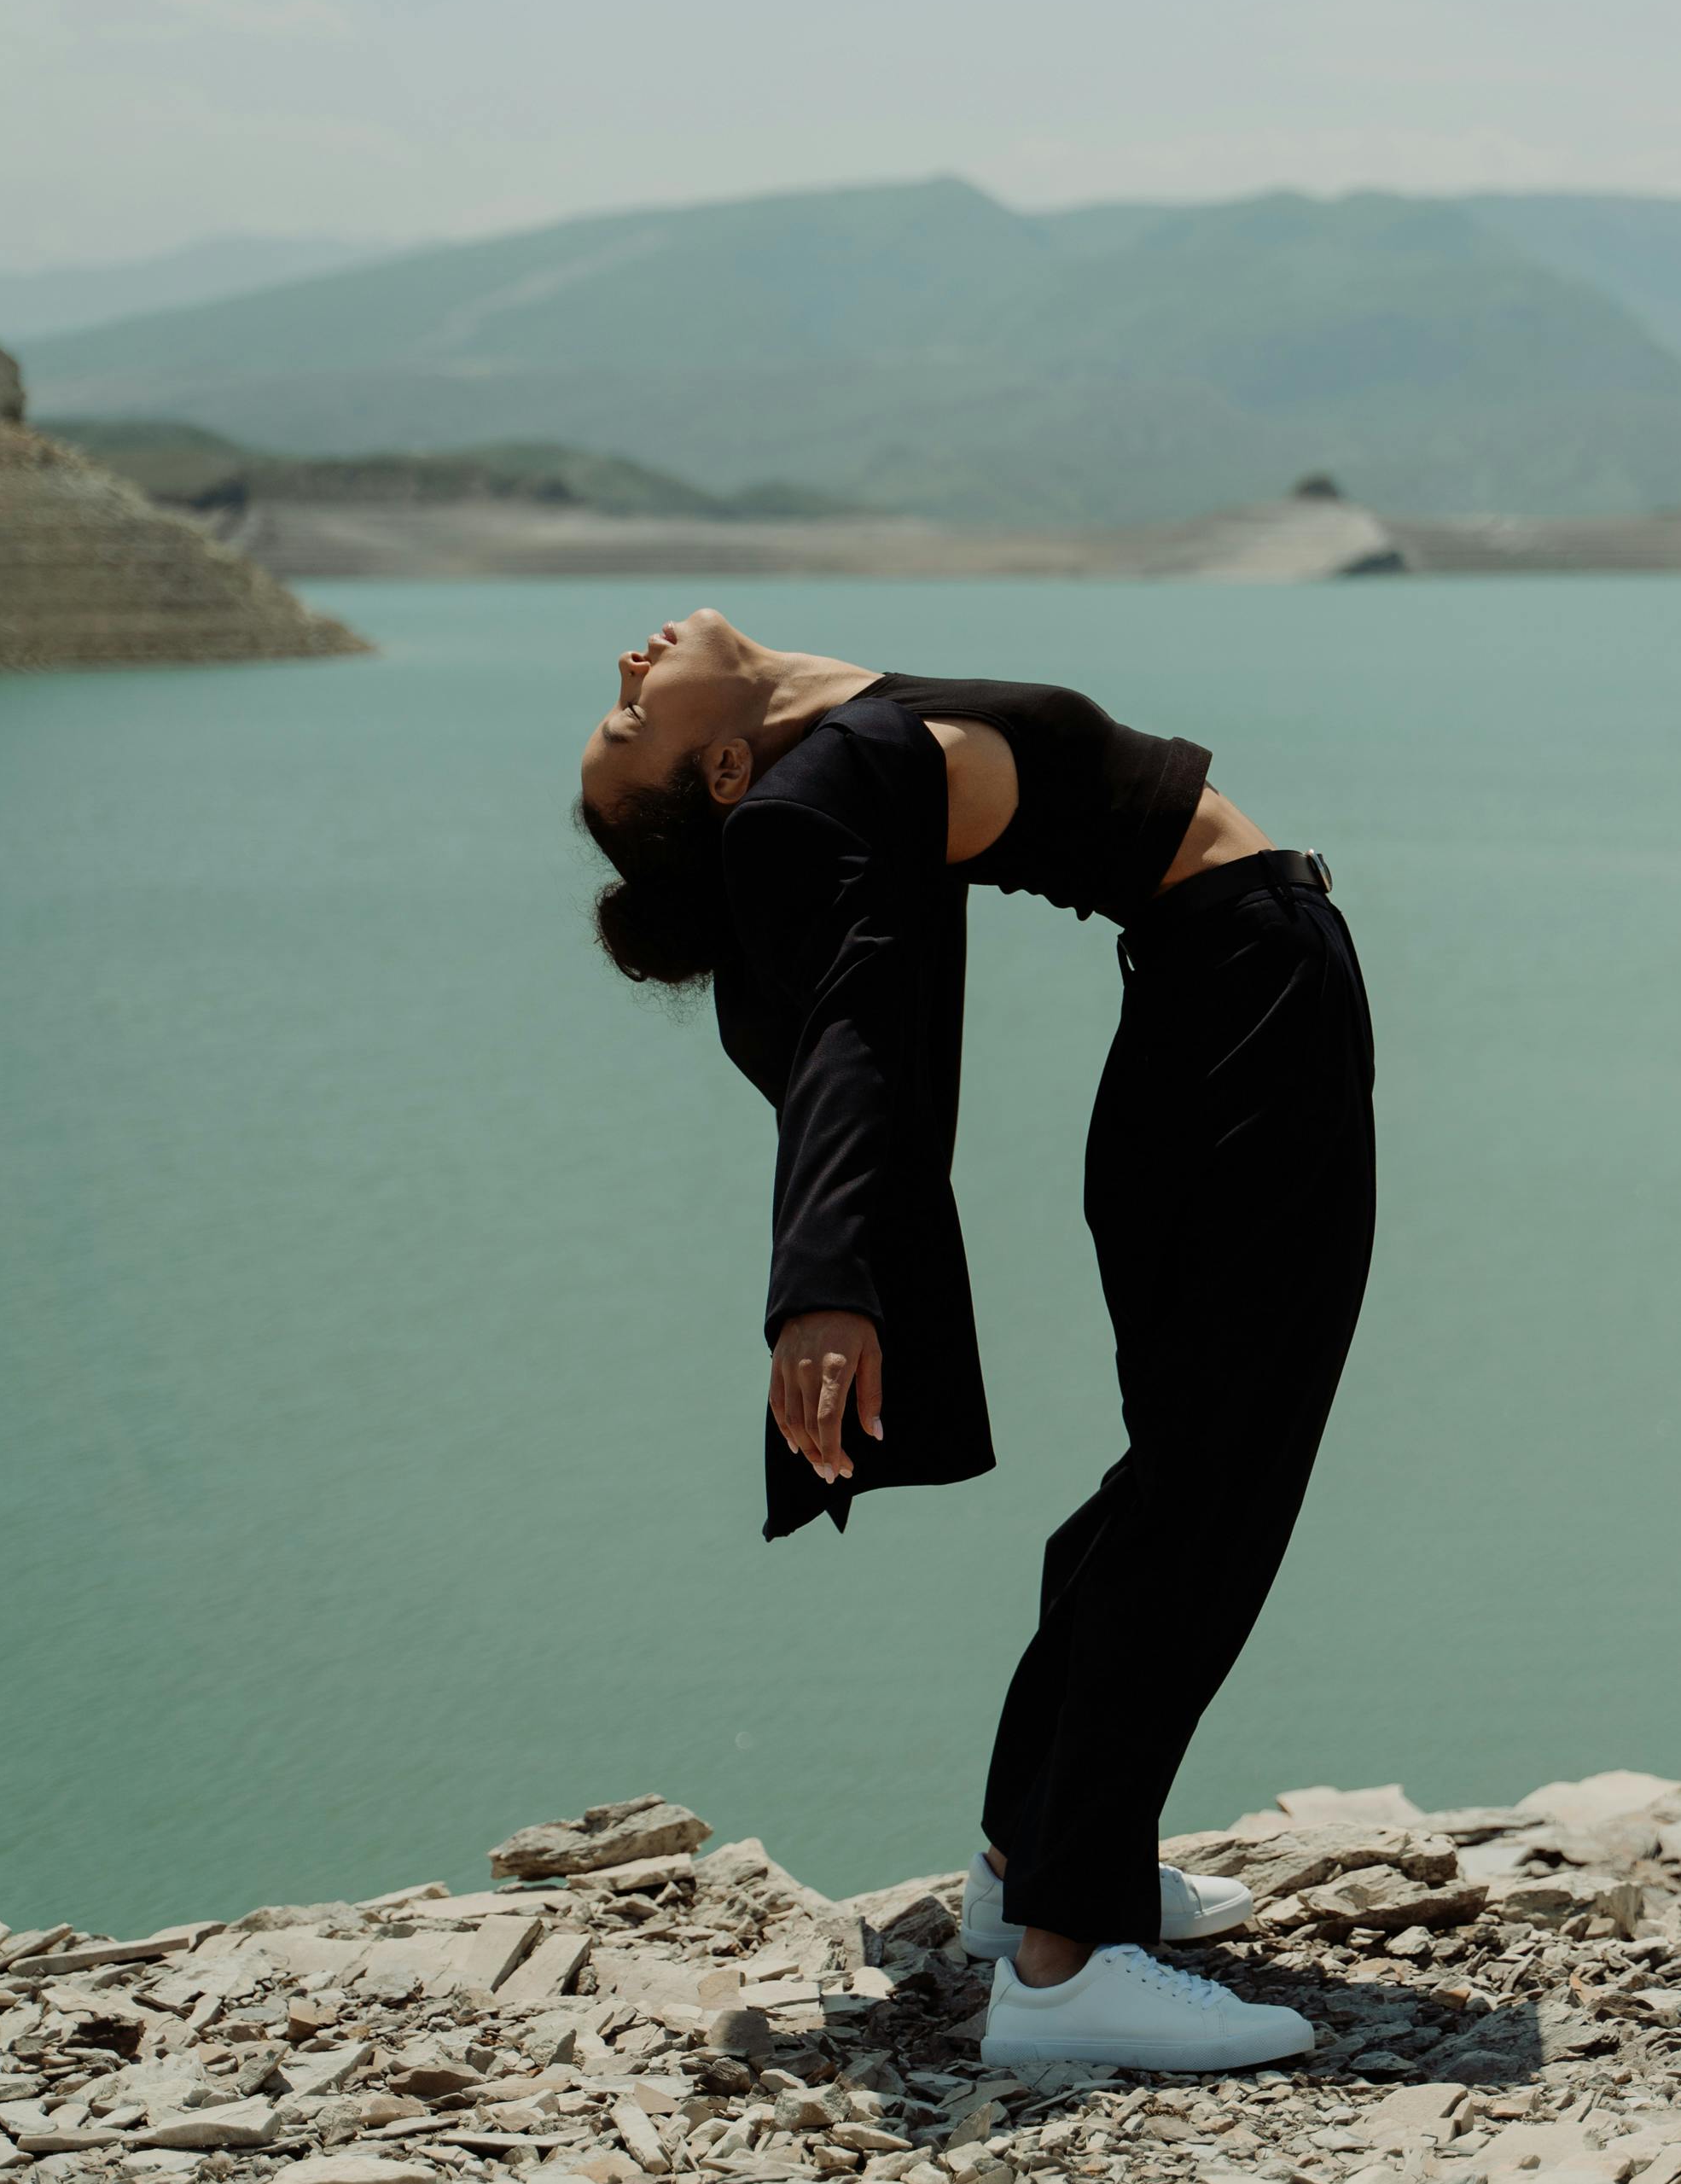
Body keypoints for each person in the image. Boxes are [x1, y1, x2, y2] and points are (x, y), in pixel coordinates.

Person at [577, 611, 1376, 2073]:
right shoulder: (828, 786)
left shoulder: (841, 737)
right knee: (1216, 1478)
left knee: (1188, 1466)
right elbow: (850, 1029)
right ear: (724, 772)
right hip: (1240, 1025)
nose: (628, 668)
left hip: (1217, 1011)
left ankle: (1032, 1876)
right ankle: (1071, 1973)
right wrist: (822, 1285)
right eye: (629, 720)